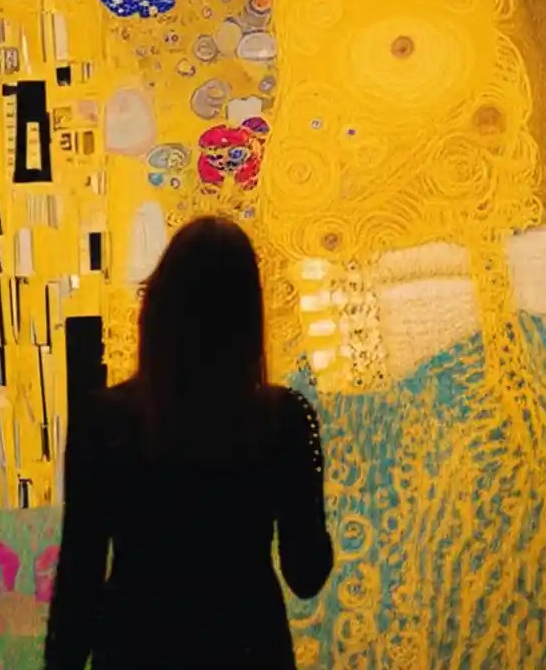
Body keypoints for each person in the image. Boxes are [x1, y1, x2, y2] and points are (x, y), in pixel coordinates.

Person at [43, 216, 334, 670]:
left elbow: (78, 585)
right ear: (247, 319)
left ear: (159, 308)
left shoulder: (105, 420)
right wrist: (306, 461)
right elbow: (307, 573)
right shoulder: (282, 419)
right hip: (247, 651)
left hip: (136, 651)